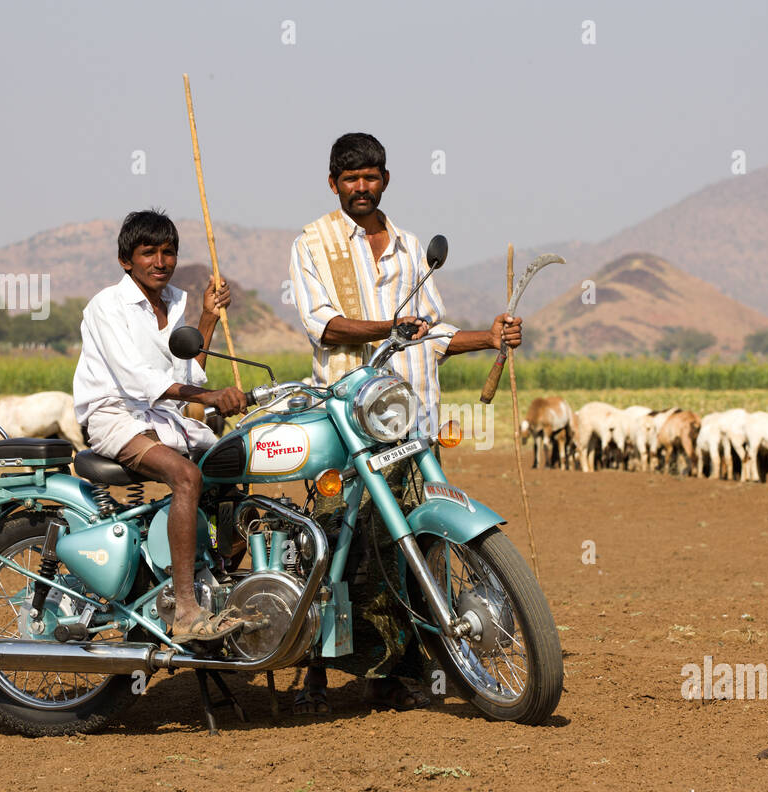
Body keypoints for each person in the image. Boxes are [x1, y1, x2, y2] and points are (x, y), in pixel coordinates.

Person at [289, 132, 522, 712]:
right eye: (350, 179)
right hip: (349, 423)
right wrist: (387, 329)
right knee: (340, 547)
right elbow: (322, 324)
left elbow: (433, 332)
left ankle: (401, 673)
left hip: (414, 428)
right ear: (333, 183)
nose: (361, 188)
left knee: (418, 549)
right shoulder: (313, 243)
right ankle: (315, 670)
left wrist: (487, 337)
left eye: (370, 177)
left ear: (385, 179)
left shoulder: (412, 246)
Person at [73, 209, 248, 644]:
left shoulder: (175, 302)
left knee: (237, 462)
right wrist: (208, 398)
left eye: (168, 252)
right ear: (125, 260)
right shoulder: (106, 307)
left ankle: (225, 578)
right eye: (148, 252)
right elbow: (138, 380)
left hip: (162, 415)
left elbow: (186, 376)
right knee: (186, 476)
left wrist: (206, 318)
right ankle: (186, 609)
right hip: (114, 415)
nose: (160, 261)